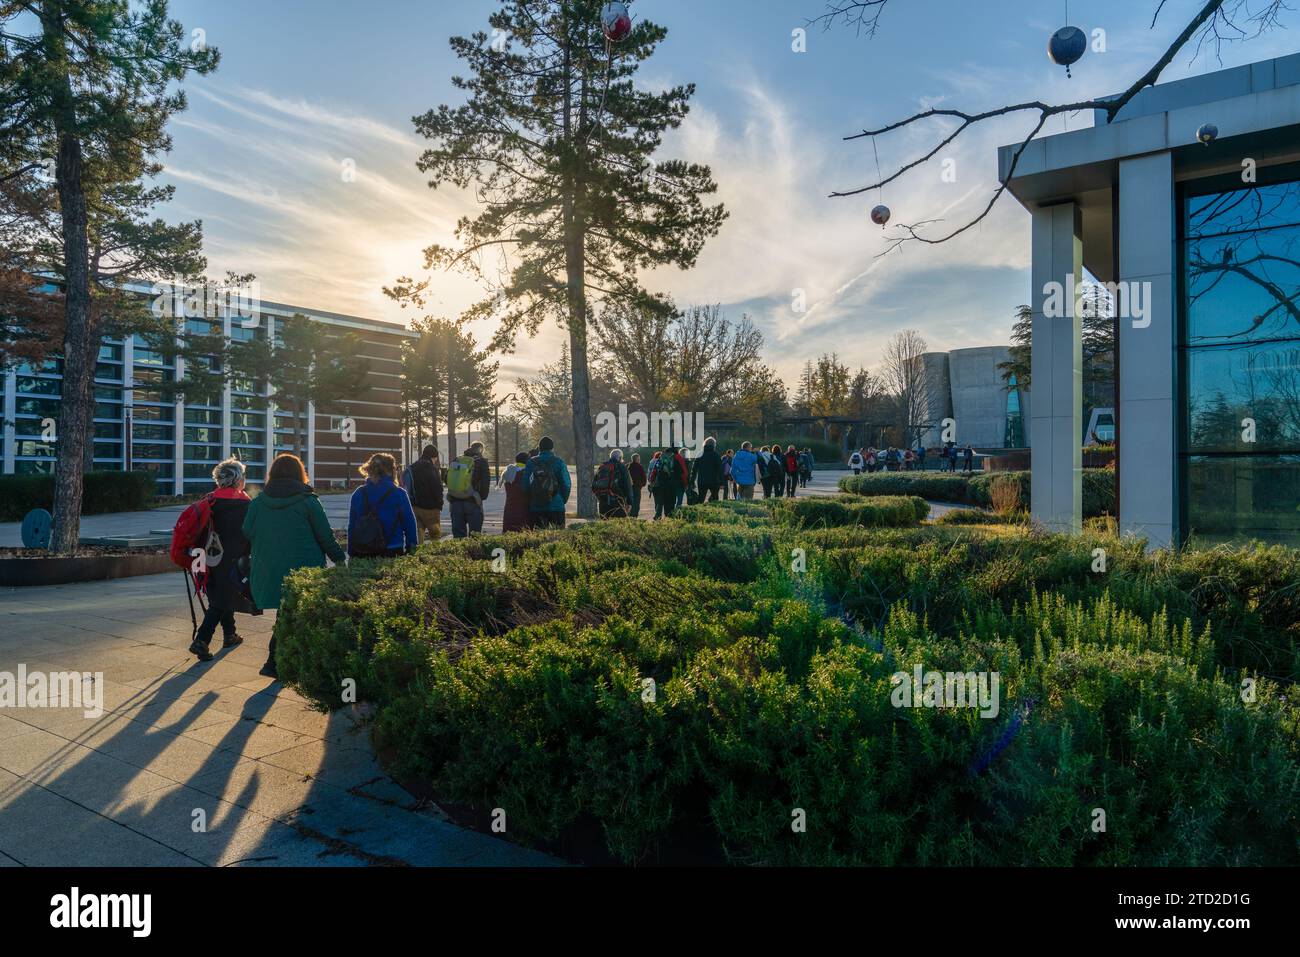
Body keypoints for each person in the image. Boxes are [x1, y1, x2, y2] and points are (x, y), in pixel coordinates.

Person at [242, 452, 347, 678]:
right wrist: (340, 560)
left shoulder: (259, 502)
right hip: (304, 570)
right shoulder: (308, 501)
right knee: (297, 612)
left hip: (268, 569)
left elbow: (247, 531)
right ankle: (277, 661)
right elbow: (325, 536)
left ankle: (279, 661)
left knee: (288, 611)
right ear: (300, 474)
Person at [188, 458, 256, 663]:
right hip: (232, 559)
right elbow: (250, 534)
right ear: (237, 480)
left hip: (206, 559)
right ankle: (201, 640)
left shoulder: (209, 501)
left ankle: (230, 635)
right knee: (219, 603)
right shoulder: (245, 505)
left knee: (220, 596)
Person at [348, 452, 419, 558]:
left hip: (363, 550)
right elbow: (410, 526)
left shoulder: (358, 493)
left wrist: (351, 551)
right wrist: (411, 551)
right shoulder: (399, 494)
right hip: (392, 549)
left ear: (369, 470)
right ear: (391, 471)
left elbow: (352, 527)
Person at [524, 435, 571, 528]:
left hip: (536, 508)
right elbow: (566, 485)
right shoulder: (559, 462)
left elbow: (525, 485)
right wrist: (561, 500)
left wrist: (533, 498)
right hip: (556, 507)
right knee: (557, 539)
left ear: (539, 448)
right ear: (552, 448)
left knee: (538, 540)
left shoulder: (531, 463)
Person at [447, 441, 491, 538]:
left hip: (455, 501)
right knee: (475, 536)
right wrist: (481, 497)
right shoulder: (481, 462)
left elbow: (448, 477)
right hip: (472, 500)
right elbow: (485, 482)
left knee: (458, 537)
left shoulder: (457, 460)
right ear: (481, 450)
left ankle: (458, 553)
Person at [406, 445, 444, 543]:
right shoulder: (431, 468)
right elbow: (437, 488)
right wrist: (439, 504)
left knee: (418, 535)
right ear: (433, 457)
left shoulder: (412, 467)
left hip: (414, 507)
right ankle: (434, 557)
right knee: (435, 536)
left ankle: (416, 556)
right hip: (430, 509)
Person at [593, 448, 634, 518]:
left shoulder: (602, 467)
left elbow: (593, 485)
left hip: (603, 502)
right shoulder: (621, 467)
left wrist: (600, 497)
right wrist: (630, 503)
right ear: (620, 457)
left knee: (604, 526)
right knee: (619, 525)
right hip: (618, 502)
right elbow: (628, 485)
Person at [499, 452, 531, 533]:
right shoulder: (528, 473)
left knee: (509, 533)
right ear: (526, 460)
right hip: (523, 509)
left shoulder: (508, 472)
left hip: (509, 509)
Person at [652, 445, 687, 518]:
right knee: (671, 503)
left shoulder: (660, 459)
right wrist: (684, 483)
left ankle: (659, 516)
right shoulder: (675, 459)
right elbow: (681, 472)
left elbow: (654, 471)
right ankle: (669, 517)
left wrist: (652, 481)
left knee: (662, 501)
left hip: (661, 484)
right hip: (672, 485)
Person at [694, 436, 723, 502]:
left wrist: (692, 481)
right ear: (714, 445)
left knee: (701, 499)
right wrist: (722, 482)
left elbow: (694, 469)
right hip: (714, 481)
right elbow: (720, 469)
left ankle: (700, 511)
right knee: (715, 499)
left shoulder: (699, 454)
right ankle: (714, 511)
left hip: (702, 480)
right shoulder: (716, 455)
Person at [628, 452, 647, 518]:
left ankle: (629, 515)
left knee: (629, 502)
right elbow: (644, 477)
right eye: (639, 459)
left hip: (629, 488)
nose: (639, 460)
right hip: (637, 487)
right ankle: (634, 516)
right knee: (636, 502)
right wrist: (642, 484)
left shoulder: (628, 466)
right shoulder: (639, 467)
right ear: (637, 459)